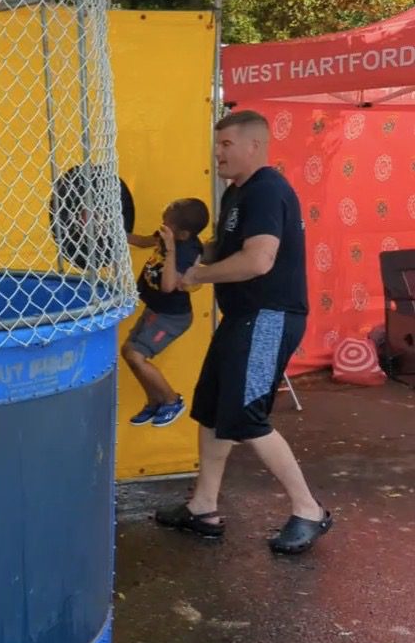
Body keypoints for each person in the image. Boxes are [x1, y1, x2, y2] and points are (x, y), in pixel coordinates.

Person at [156, 110, 332, 556]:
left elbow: (258, 261)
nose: (218, 153)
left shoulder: (268, 191)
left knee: (247, 417)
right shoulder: (238, 194)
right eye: (217, 145)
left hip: (268, 318)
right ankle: (203, 507)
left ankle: (308, 509)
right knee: (213, 410)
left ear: (254, 146)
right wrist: (189, 252)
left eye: (226, 145)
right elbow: (229, 248)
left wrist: (202, 274)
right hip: (244, 318)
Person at [124, 198, 209, 428]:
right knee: (128, 351)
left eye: (167, 224)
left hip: (172, 318)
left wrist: (170, 250)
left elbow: (168, 286)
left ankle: (172, 400)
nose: (162, 226)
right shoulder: (167, 234)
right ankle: (155, 401)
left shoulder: (186, 251)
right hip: (156, 309)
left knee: (136, 356)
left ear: (182, 234)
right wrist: (110, 232)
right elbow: (143, 242)